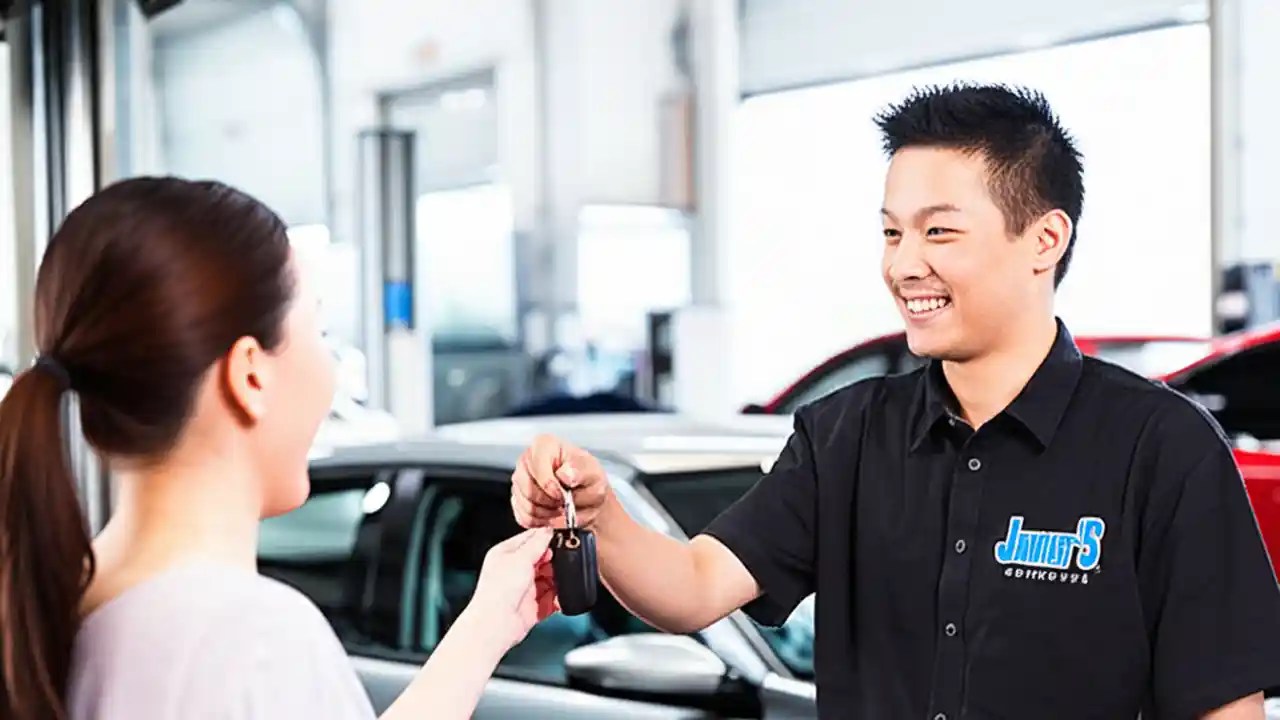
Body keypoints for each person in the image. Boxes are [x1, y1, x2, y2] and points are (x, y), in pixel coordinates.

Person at [511, 83, 1280, 719]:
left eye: (939, 232)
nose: (904, 265)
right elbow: (695, 586)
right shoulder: (844, 436)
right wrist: (602, 514)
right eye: (890, 233)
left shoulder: (1160, 448)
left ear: (1044, 239)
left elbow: (1223, 707)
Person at [0, 177, 559, 720]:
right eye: (317, 330)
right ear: (250, 375)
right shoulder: (254, 640)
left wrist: (485, 626)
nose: (330, 370)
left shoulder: (57, 614)